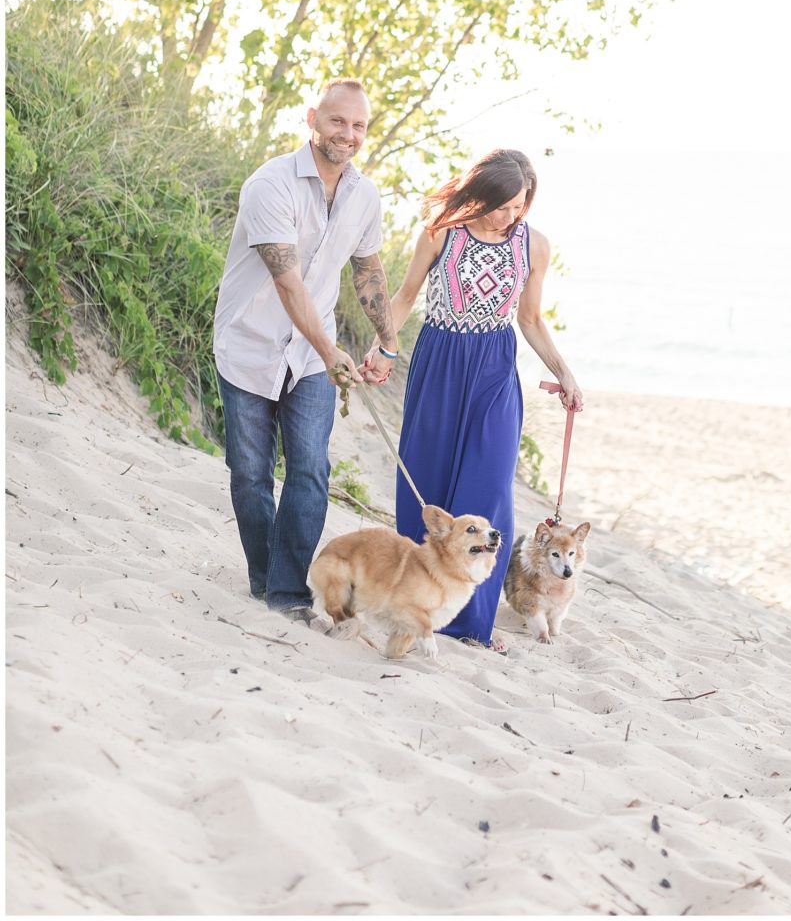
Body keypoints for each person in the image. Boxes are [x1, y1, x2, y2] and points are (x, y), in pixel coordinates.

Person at [378, 148, 583, 653]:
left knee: (488, 490)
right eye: (503, 205)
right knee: (427, 487)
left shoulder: (533, 245)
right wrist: (381, 346)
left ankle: (471, 625)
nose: (511, 216)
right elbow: (405, 296)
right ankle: (419, 605)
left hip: (494, 371)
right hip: (439, 362)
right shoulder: (442, 230)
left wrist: (565, 375)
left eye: (520, 206)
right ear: (480, 194)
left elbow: (530, 320)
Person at [213, 77, 398, 622]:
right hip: (250, 345)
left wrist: (386, 343)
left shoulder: (364, 196)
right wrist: (330, 347)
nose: (348, 134)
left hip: (310, 360)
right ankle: (263, 575)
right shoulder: (270, 184)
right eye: (338, 121)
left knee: (311, 469)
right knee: (250, 472)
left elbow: (368, 270)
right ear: (313, 118)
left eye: (359, 125)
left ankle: (289, 592)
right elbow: (287, 282)